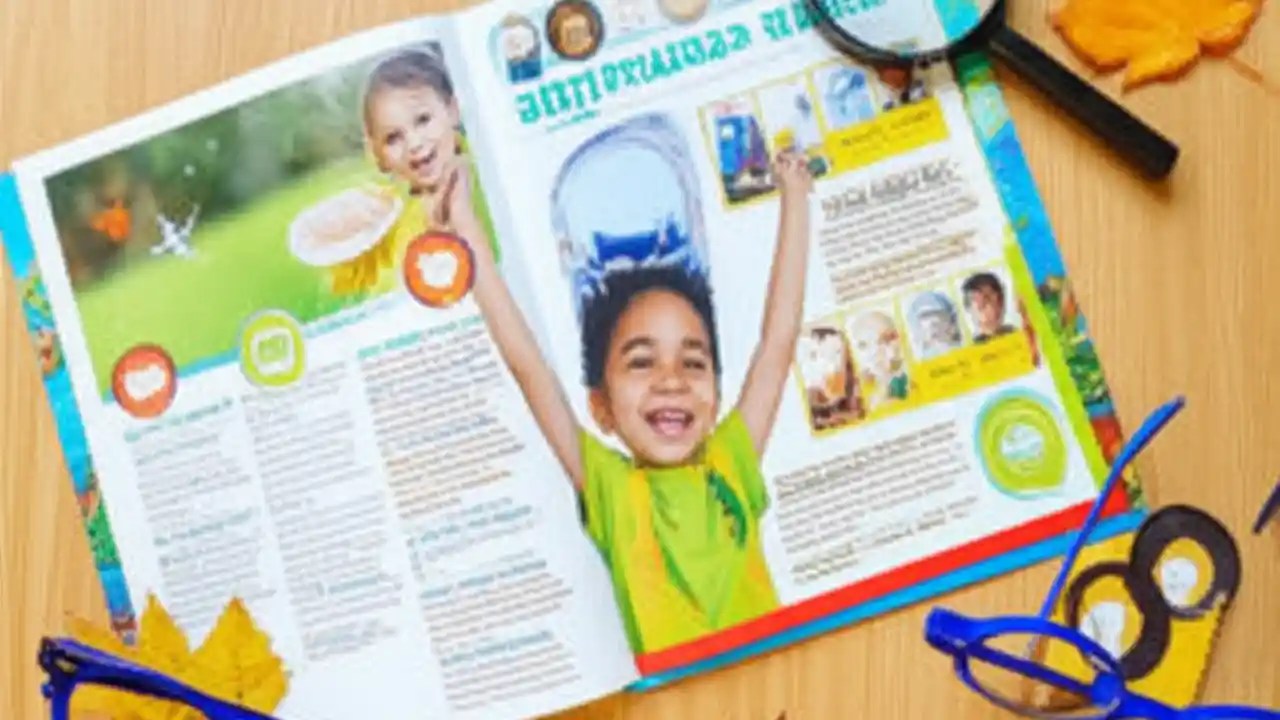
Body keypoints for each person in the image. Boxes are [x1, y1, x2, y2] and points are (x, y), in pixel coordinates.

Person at [431, 147, 814, 654]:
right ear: (601, 407)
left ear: (716, 394)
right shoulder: (611, 488)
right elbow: (530, 370)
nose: (671, 380)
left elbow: (778, 342)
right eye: (641, 361)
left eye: (693, 362)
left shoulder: (731, 462)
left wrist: (795, 198)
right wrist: (465, 227)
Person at [961, 271, 1015, 342]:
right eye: (983, 305)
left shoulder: (1018, 334)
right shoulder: (974, 347)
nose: (992, 310)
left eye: (998, 301)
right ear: (969, 309)